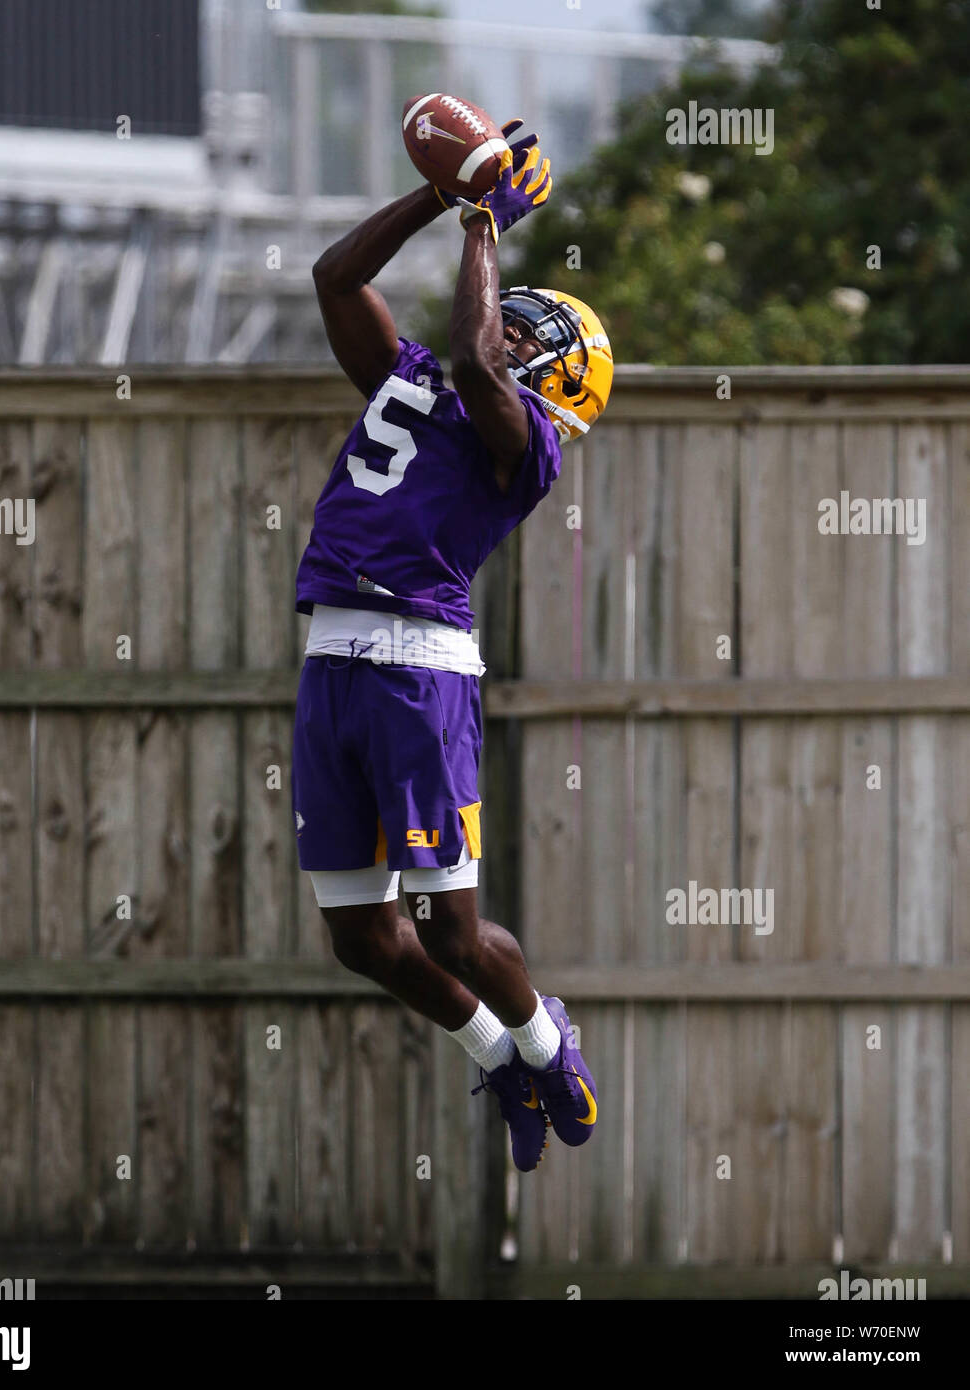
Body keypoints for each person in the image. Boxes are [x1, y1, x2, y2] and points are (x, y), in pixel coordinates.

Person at [291, 120, 613, 1171]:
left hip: (416, 673)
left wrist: (483, 218)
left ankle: (546, 1041)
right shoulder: (413, 376)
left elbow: (481, 367)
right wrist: (438, 195)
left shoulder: (523, 443)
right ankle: (500, 1052)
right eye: (508, 317)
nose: (505, 328)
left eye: (529, 331)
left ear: (556, 378)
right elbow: (335, 278)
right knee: (359, 938)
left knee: (449, 930)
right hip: (332, 663)